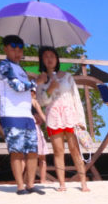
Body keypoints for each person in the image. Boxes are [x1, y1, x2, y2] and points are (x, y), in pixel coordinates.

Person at [0, 34, 45, 195]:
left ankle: (31, 184)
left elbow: (27, 93)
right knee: (17, 151)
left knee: (33, 151)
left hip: (27, 115)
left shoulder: (22, 69)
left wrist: (35, 111)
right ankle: (20, 186)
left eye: (20, 49)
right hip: (11, 114)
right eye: (13, 48)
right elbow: (17, 86)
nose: (17, 52)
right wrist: (36, 82)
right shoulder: (4, 66)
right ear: (5, 48)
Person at [35, 46, 93, 192]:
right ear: (42, 60)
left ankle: (83, 182)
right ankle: (62, 183)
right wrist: (48, 87)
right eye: (46, 56)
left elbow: (76, 98)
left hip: (70, 116)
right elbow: (41, 102)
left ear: (57, 58)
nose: (49, 59)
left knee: (75, 149)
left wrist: (81, 121)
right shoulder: (41, 79)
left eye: (52, 56)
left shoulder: (67, 76)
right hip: (53, 117)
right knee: (58, 150)